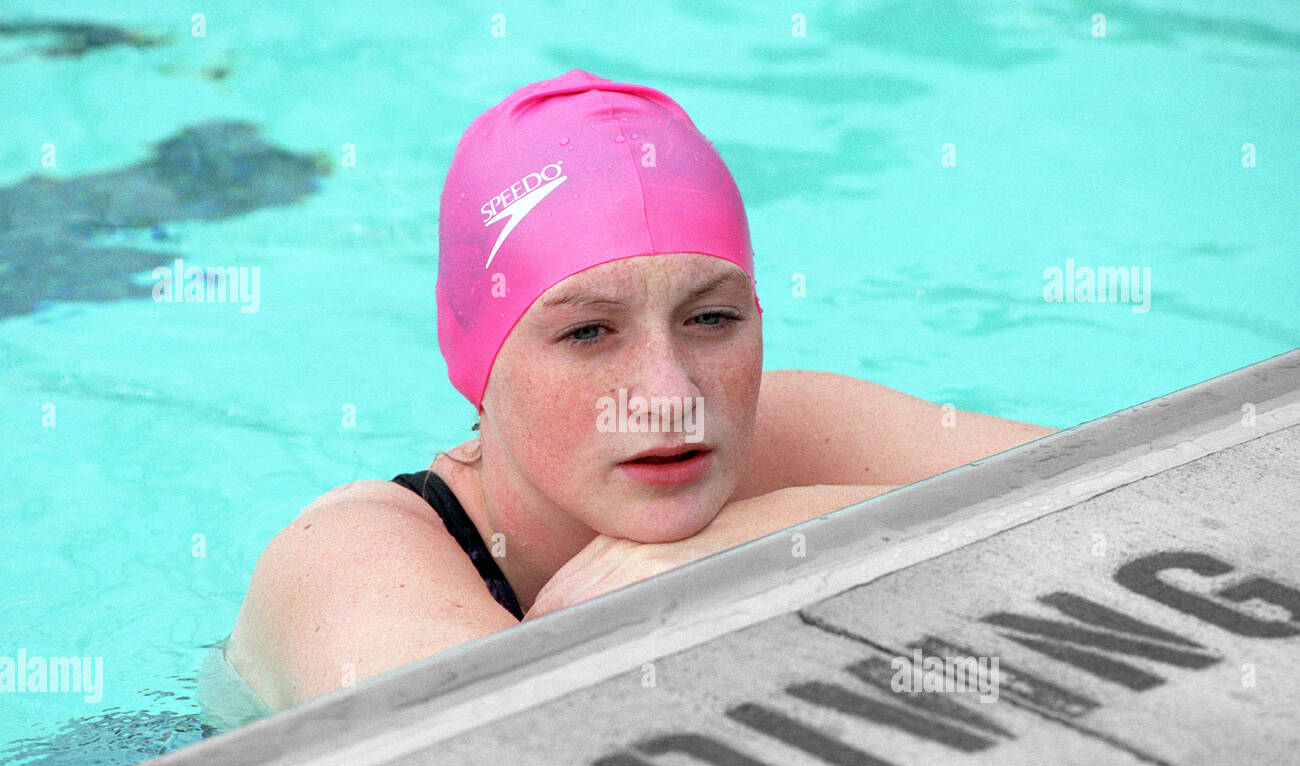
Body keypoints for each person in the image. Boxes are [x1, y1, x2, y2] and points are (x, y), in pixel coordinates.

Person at [225, 70, 1056, 711]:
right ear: (482, 367)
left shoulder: (783, 436)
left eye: (713, 319)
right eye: (588, 332)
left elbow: (1136, 488)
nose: (668, 395)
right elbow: (496, 751)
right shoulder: (348, 554)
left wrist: (747, 539)